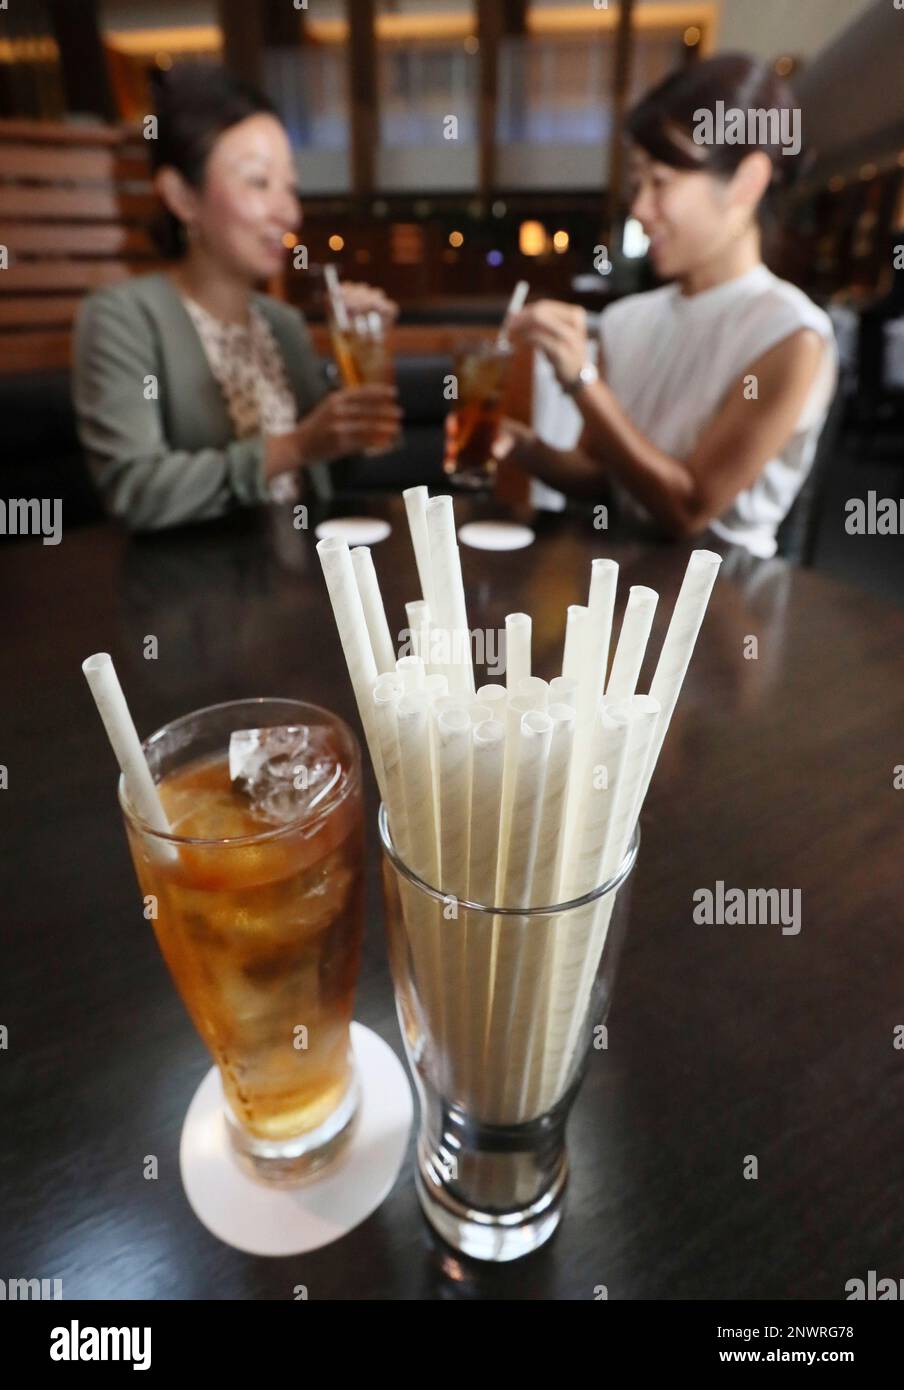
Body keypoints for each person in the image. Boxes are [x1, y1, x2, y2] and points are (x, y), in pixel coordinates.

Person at [500, 54, 839, 560]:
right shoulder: (627, 319)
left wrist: (581, 379)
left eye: (661, 182)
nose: (639, 209)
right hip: (622, 588)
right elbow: (601, 478)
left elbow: (688, 508)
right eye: (639, 184)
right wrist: (518, 445)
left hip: (722, 606)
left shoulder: (790, 334)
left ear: (746, 183)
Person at [73, 66, 401, 531]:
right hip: (195, 593)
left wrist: (364, 375)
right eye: (259, 182)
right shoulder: (122, 318)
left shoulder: (283, 325)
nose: (289, 211)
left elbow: (331, 475)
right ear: (182, 197)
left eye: (290, 186)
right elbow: (135, 491)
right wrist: (296, 446)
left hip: (304, 575)